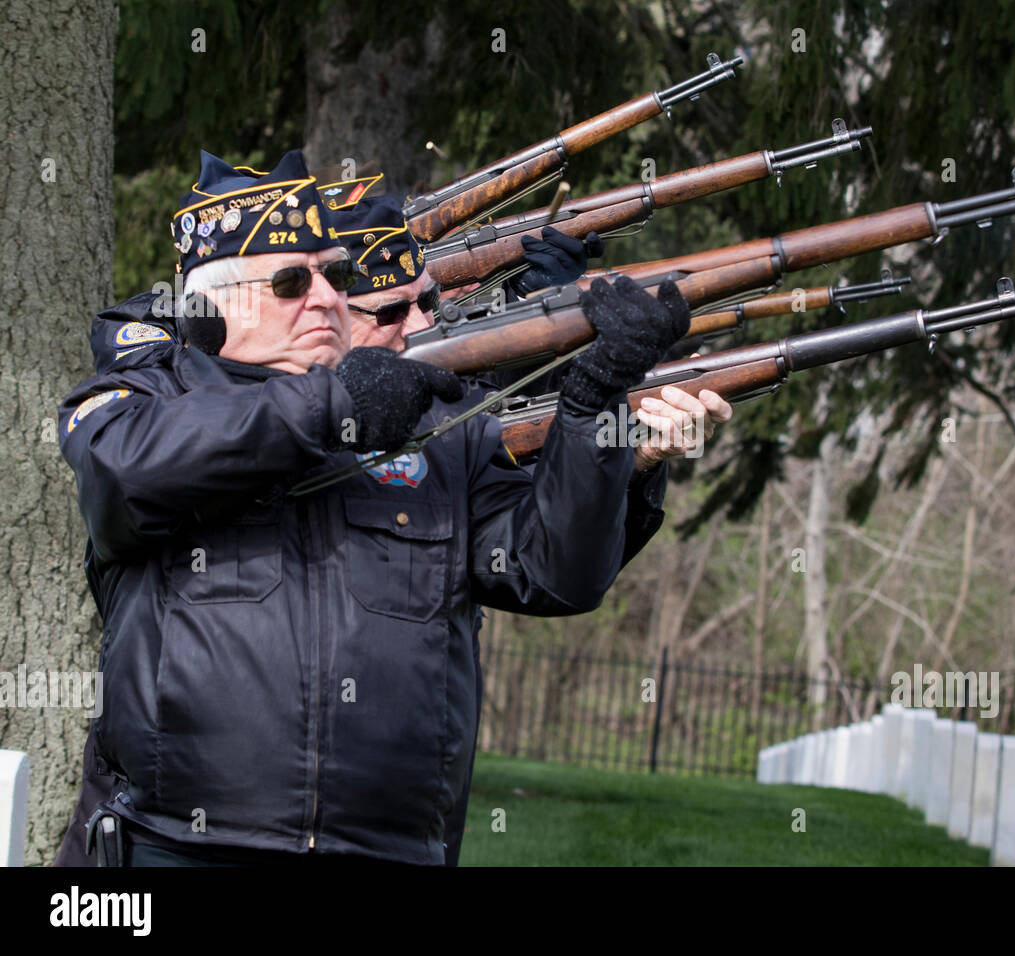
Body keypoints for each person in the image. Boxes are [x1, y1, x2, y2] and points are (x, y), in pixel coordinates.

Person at [56, 148, 692, 866]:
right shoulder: (142, 403)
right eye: (293, 281)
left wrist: (591, 405)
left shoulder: (439, 423)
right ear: (211, 306)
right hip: (173, 848)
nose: (327, 299)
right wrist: (334, 405)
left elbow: (554, 573)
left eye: (338, 276)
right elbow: (123, 476)